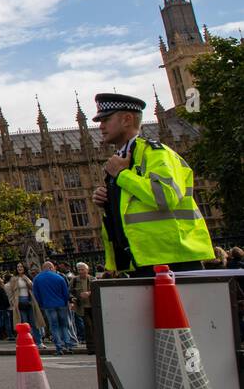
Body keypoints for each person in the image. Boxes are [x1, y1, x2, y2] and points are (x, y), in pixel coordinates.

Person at [91, 92, 214, 276]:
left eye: (106, 120)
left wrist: (122, 175)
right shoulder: (121, 159)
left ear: (127, 119)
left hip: (173, 259)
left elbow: (165, 196)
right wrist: (107, 200)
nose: (100, 126)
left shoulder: (156, 153)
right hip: (141, 260)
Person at [32, 261, 75, 356]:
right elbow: (65, 293)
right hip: (61, 304)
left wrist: (41, 304)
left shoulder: (37, 279)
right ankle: (68, 345)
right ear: (51, 268)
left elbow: (36, 294)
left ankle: (59, 347)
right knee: (64, 325)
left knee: (54, 326)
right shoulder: (59, 277)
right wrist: (65, 302)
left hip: (48, 305)